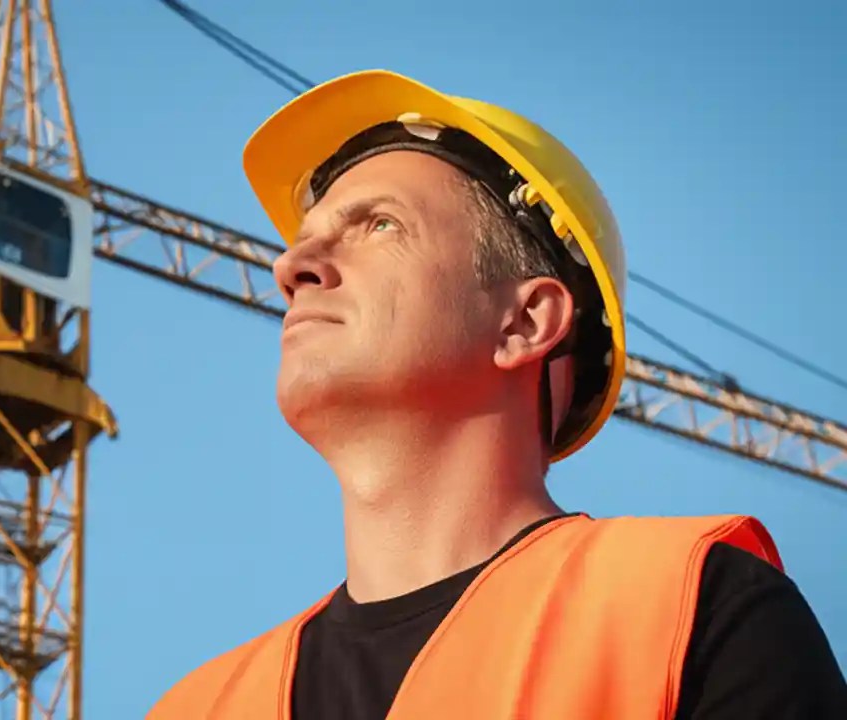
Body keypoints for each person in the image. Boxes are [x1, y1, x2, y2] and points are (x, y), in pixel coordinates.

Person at [147, 69, 847, 719]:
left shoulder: (688, 608)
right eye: (305, 240)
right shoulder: (199, 706)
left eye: (380, 225)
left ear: (526, 321)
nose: (290, 266)